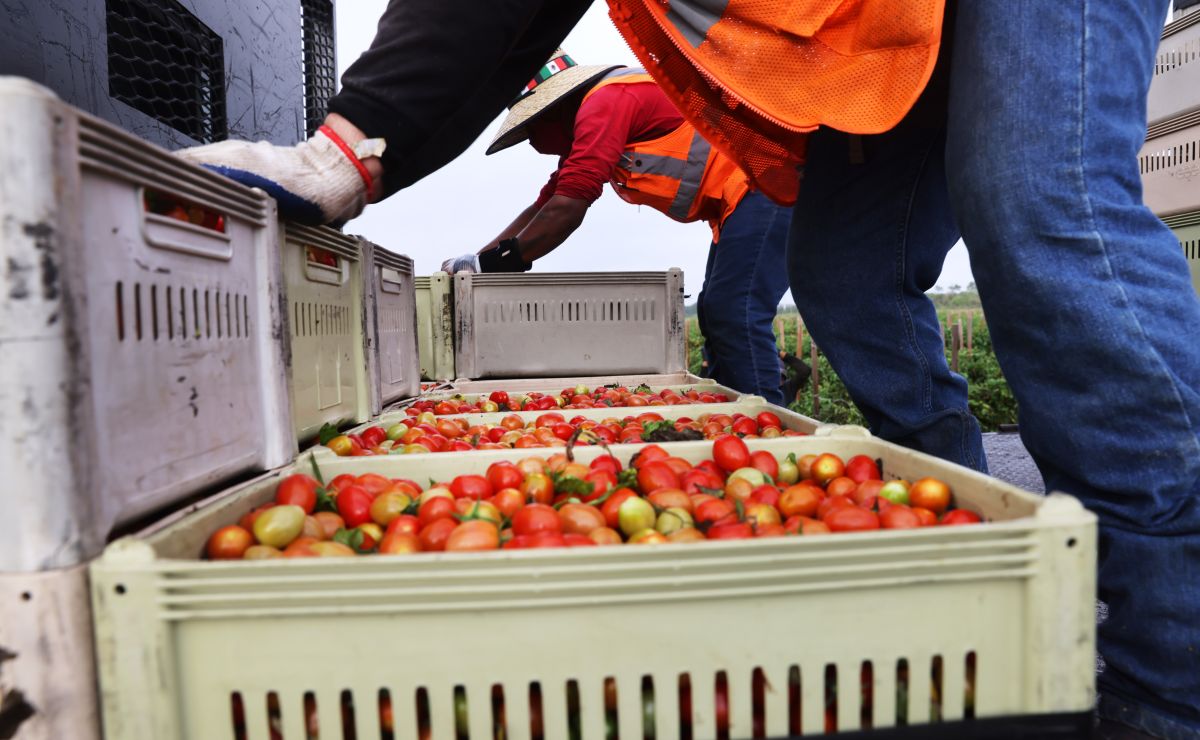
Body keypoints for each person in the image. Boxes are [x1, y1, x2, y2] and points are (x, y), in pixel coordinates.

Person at [176, 1, 1200, 736]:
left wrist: (474, 243)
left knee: (1043, 207)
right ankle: (960, 538)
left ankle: (1170, 675)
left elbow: (570, 191)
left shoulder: (598, 113)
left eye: (534, 130)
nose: (536, 144)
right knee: (843, 277)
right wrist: (355, 146)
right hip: (889, 36)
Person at [436, 51, 791, 403]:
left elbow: (566, 210)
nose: (529, 140)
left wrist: (492, 265)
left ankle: (765, 417)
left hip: (769, 183)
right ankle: (738, 416)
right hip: (745, 197)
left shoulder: (605, 103)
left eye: (529, 127)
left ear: (554, 109)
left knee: (736, 310)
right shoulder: (594, 119)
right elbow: (544, 205)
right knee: (715, 312)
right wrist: (476, 263)